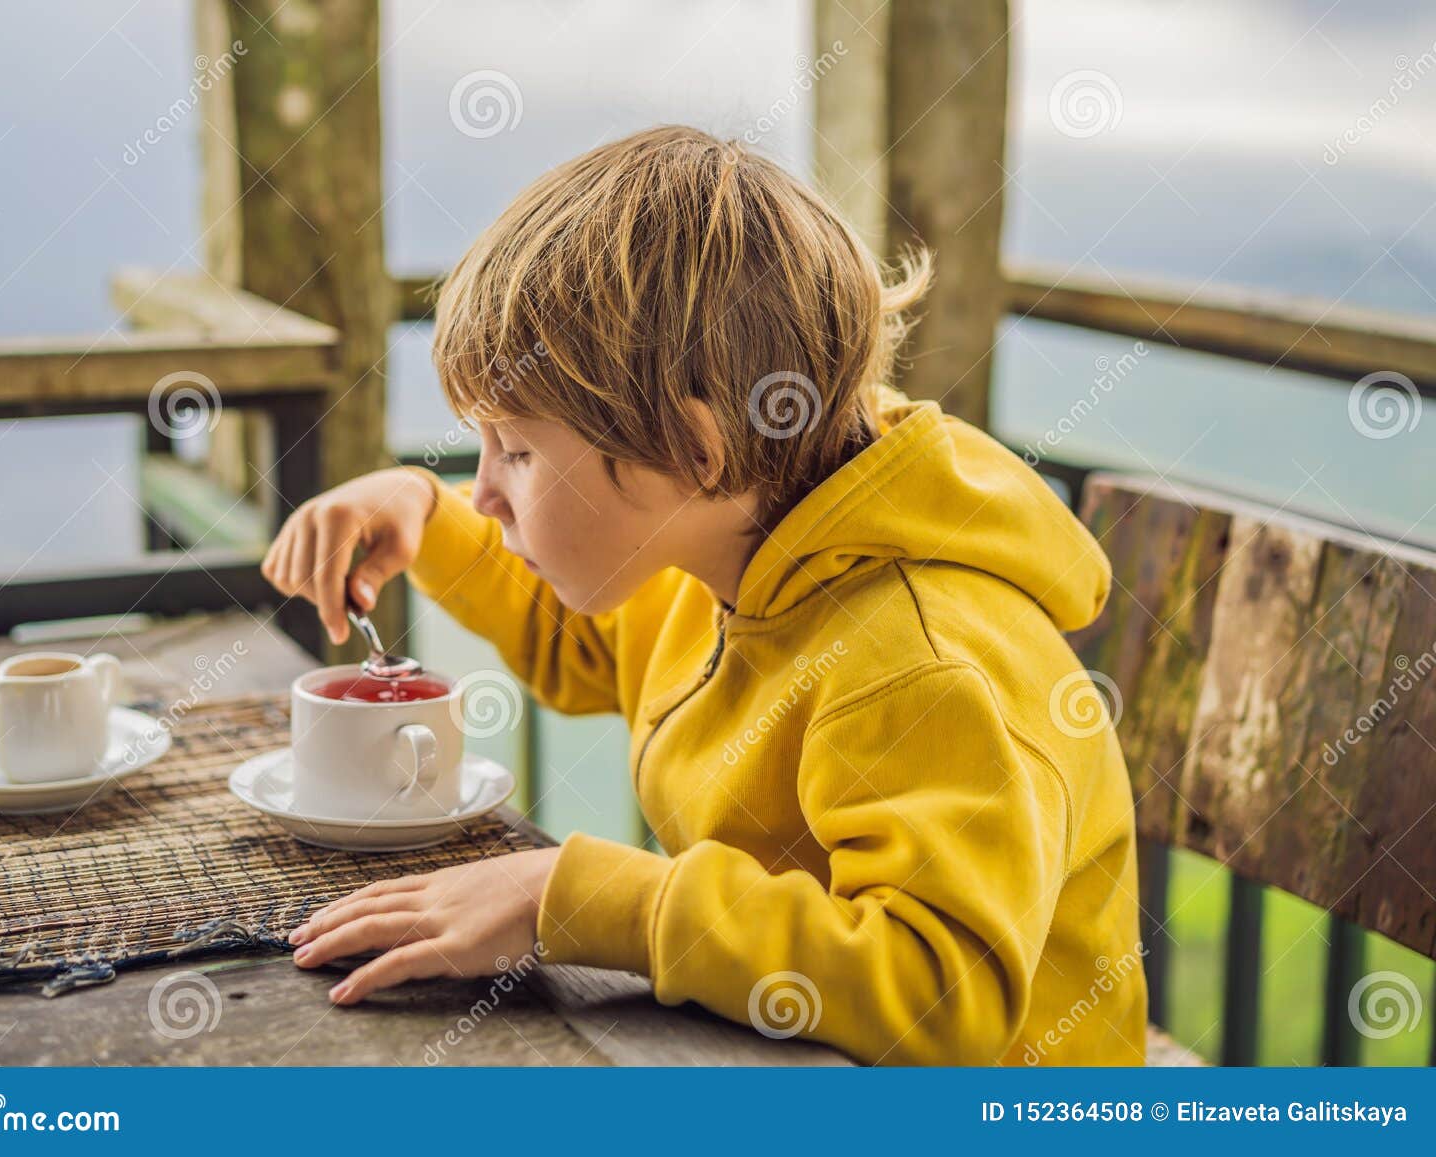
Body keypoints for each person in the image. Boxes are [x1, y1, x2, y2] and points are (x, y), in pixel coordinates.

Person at [264, 125, 1147, 1065]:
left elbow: (940, 997)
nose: (481, 490)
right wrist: (423, 513)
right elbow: (586, 645)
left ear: (691, 449)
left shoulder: (918, 665)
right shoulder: (721, 546)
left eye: (516, 452)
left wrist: (585, 899)